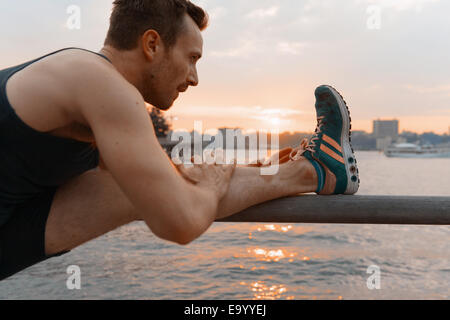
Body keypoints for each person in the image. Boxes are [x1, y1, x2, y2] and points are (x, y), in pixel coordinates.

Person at [0, 0, 359, 281]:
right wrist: (214, 184)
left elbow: (163, 179)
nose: (194, 77)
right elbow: (179, 223)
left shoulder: (90, 84)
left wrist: (254, 169)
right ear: (152, 44)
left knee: (156, 184)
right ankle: (315, 170)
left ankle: (314, 171)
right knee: (175, 194)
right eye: (191, 58)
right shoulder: (98, 82)